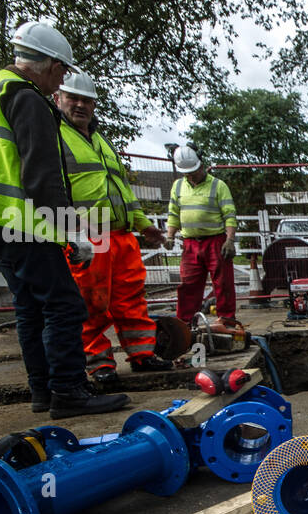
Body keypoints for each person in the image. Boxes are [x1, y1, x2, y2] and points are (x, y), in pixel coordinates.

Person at [0, 22, 129, 419]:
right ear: (46, 64)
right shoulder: (27, 98)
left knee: (29, 307)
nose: (61, 80)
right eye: (62, 71)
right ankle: (69, 392)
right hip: (20, 220)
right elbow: (42, 174)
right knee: (64, 305)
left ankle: (43, 392)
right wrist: (73, 231)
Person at [54, 71, 173, 388]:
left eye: (87, 100)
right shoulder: (53, 137)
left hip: (121, 236)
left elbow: (121, 189)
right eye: (73, 98)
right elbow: (46, 187)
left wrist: (144, 225)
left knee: (131, 299)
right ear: (57, 98)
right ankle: (98, 364)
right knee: (90, 303)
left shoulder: (101, 141)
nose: (80, 105)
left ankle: (142, 354)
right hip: (87, 236)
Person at [165, 145, 240, 327]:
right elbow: (173, 213)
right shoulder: (178, 186)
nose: (191, 176)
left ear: (201, 165)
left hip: (215, 241)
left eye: (193, 171)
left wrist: (230, 240)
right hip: (190, 244)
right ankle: (185, 324)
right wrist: (170, 236)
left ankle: (226, 321)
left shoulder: (218, 186)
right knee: (188, 286)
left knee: (223, 284)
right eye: (187, 173)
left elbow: (229, 215)